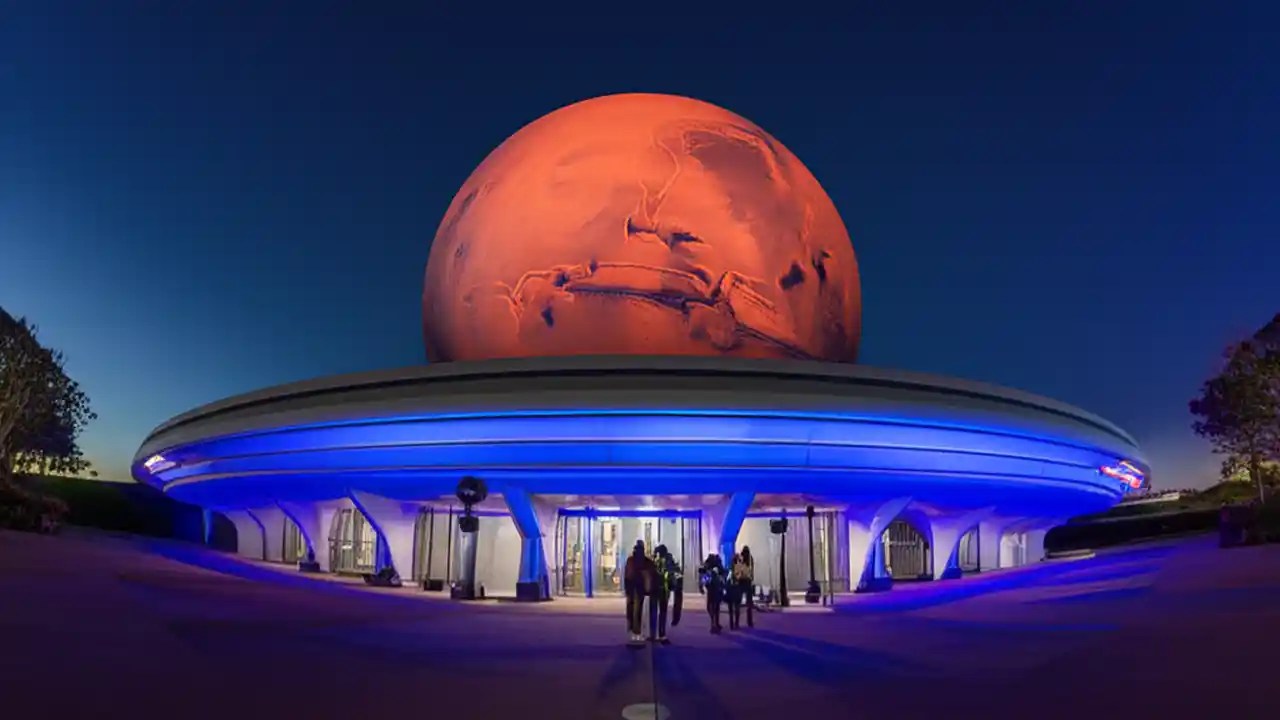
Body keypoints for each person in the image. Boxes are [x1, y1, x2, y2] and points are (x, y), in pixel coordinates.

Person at [623, 540, 655, 643]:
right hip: (639, 587)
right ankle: (636, 630)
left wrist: (626, 589)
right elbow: (651, 573)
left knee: (631, 608)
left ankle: (632, 628)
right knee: (638, 609)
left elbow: (627, 575)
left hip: (632, 586)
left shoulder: (631, 560)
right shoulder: (646, 561)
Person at [651, 544, 680, 643]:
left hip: (655, 590)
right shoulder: (668, 560)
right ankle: (661, 634)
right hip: (664, 589)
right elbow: (675, 572)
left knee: (654, 612)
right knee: (662, 612)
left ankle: (653, 634)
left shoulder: (654, 560)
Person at [698, 553, 727, 634]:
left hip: (712, 588)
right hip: (716, 588)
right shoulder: (715, 565)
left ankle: (714, 623)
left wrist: (701, 587)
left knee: (711, 606)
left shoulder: (710, 566)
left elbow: (702, 575)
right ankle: (715, 623)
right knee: (715, 606)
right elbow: (724, 574)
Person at [737, 545, 756, 628]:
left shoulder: (740, 559)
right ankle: (749, 621)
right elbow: (752, 570)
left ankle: (736, 622)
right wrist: (751, 578)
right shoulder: (750, 559)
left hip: (741, 581)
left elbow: (737, 569)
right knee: (749, 603)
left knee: (738, 602)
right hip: (748, 581)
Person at [725, 553, 744, 629]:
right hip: (737, 589)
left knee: (731, 608)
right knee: (737, 607)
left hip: (731, 589)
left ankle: (731, 623)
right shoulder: (740, 568)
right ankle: (736, 623)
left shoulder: (730, 569)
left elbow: (728, 580)